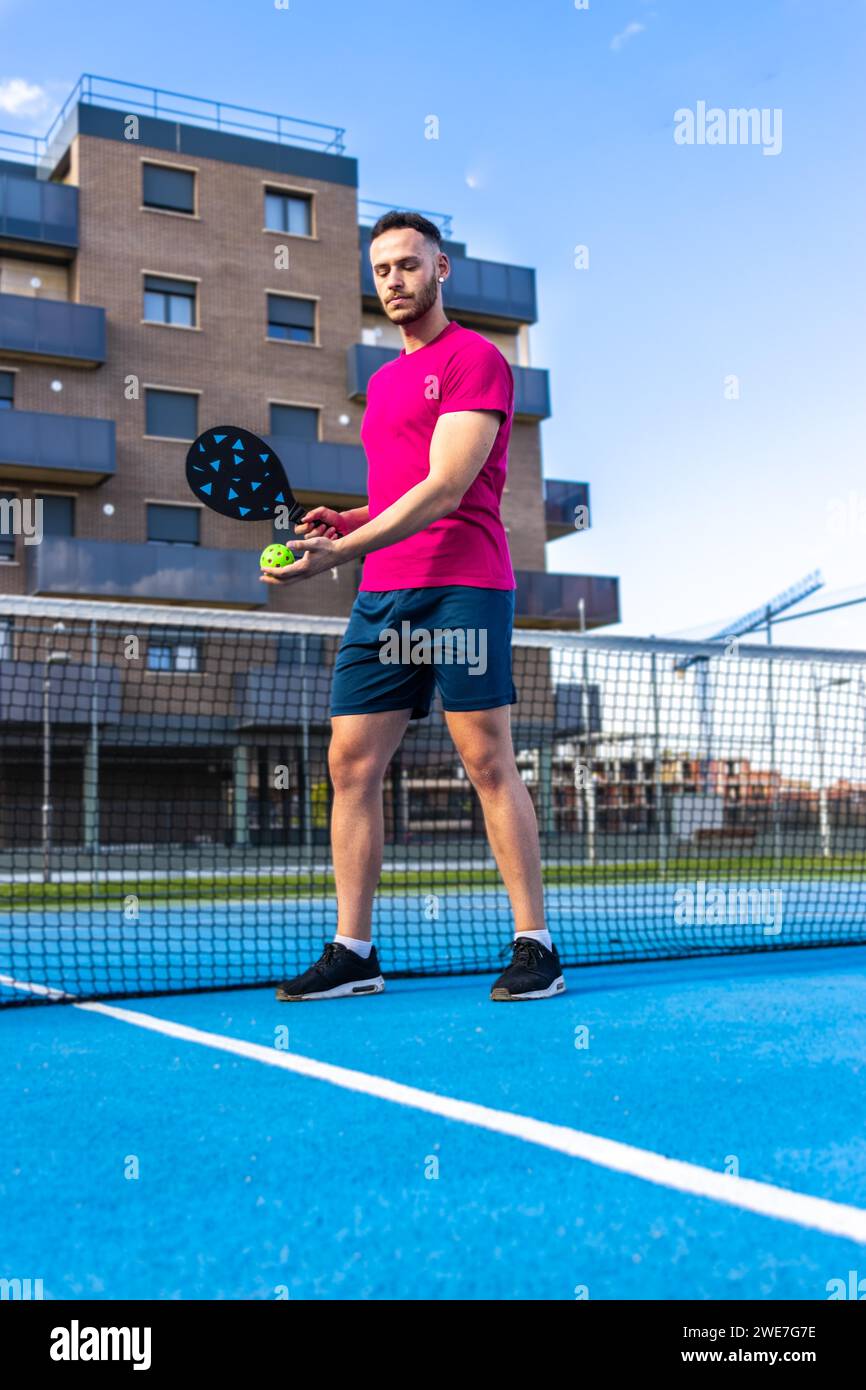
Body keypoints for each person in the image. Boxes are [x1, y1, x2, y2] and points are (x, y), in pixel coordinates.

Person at [261, 211, 565, 1003]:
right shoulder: (384, 382)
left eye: (408, 265)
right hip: (383, 596)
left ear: (441, 270)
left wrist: (343, 551)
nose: (394, 280)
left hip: (461, 588)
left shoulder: (477, 360)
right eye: (383, 270)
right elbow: (401, 492)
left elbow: (447, 488)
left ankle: (536, 945)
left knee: (487, 761)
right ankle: (355, 952)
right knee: (349, 763)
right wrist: (351, 523)